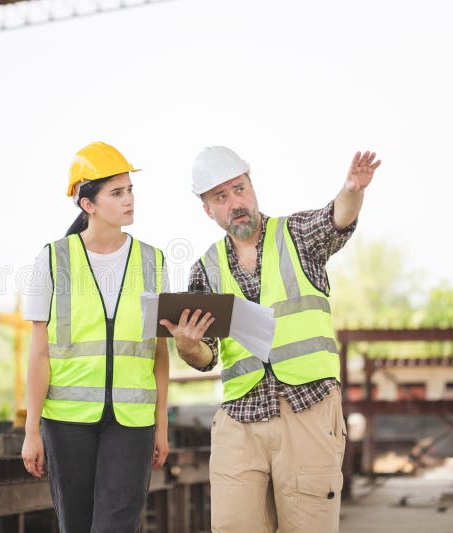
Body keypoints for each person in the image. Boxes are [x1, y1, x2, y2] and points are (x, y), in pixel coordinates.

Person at [160, 146, 381, 533]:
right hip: (241, 418)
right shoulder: (206, 270)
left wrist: (353, 190)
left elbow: (335, 219)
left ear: (252, 186)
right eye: (221, 197)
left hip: (307, 409)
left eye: (239, 188)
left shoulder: (296, 236)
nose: (235, 202)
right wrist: (187, 345)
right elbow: (206, 356)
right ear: (208, 209)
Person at [21, 141, 170, 533]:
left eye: (130, 190)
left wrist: (162, 425)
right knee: (76, 526)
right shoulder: (52, 260)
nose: (129, 200)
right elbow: (39, 355)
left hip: (131, 423)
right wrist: (30, 431)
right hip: (66, 422)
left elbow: (159, 353)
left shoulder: (153, 261)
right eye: (117, 193)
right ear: (88, 204)